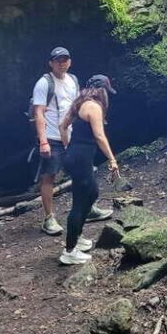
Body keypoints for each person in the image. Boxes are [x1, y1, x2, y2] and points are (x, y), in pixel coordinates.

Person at [32, 47, 111, 235]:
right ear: (51, 63)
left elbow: (77, 106)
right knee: (49, 176)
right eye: (58, 60)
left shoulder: (73, 80)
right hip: (52, 137)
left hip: (72, 135)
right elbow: (38, 112)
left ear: (70, 61)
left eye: (65, 59)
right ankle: (49, 219)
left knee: (83, 172)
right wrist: (43, 141)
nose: (62, 62)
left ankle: (88, 208)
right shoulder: (44, 83)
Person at [58, 75, 120, 265]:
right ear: (102, 91)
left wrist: (70, 148)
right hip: (80, 159)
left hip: (74, 157)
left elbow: (63, 126)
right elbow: (100, 136)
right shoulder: (94, 107)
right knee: (79, 203)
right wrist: (112, 159)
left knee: (92, 193)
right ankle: (69, 251)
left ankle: (78, 236)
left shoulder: (80, 103)